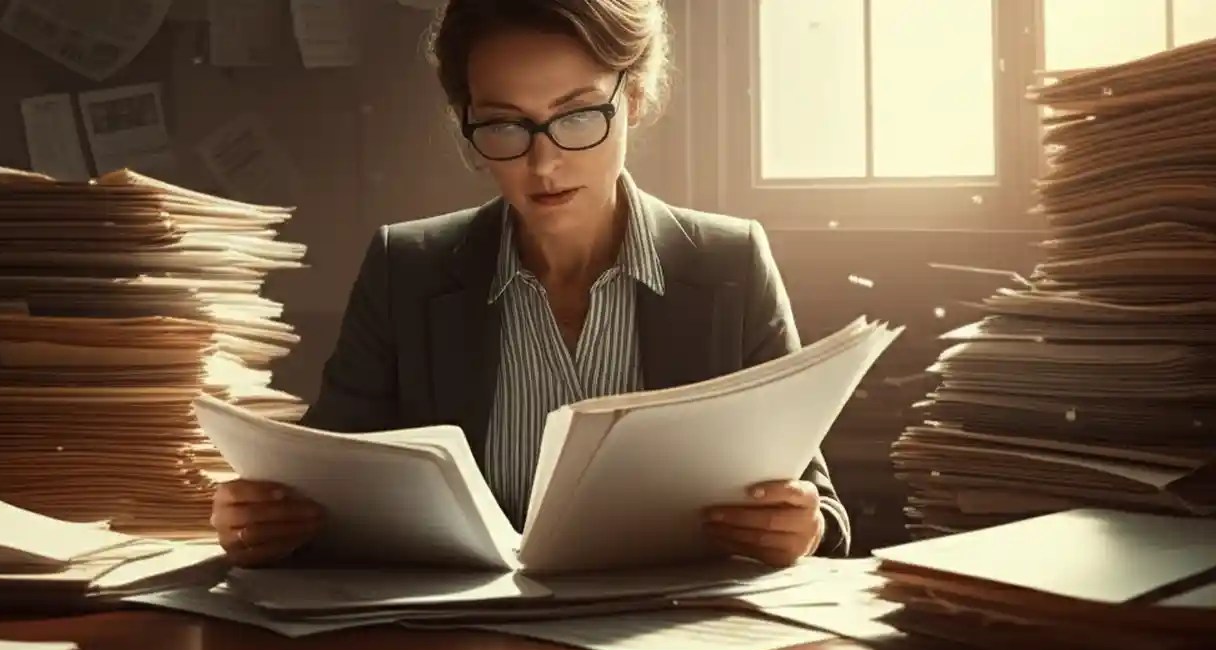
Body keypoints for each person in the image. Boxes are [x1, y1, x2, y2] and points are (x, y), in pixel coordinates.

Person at [209, 0, 851, 569]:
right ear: (469, 120)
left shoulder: (729, 265)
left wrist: (802, 525)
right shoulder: (405, 270)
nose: (543, 163)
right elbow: (322, 498)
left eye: (576, 118)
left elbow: (816, 504)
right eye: (505, 126)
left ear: (632, 99)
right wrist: (269, 523)